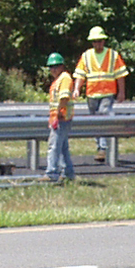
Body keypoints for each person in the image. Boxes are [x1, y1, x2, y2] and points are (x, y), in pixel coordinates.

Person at [74, 26, 128, 163]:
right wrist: (76, 89)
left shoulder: (113, 55)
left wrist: (121, 92)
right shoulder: (86, 56)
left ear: (104, 41)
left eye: (99, 41)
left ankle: (104, 148)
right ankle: (101, 146)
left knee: (104, 115)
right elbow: (80, 74)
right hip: (92, 94)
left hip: (107, 92)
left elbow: (120, 75)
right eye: (95, 41)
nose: (97, 44)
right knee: (95, 121)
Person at [45, 52, 76, 183]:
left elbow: (64, 98)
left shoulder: (65, 78)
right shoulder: (59, 80)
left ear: (62, 66)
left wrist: (57, 114)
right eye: (51, 67)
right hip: (60, 118)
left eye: (56, 66)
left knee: (54, 146)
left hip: (62, 118)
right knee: (63, 147)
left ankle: (51, 173)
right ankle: (68, 173)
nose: (53, 69)